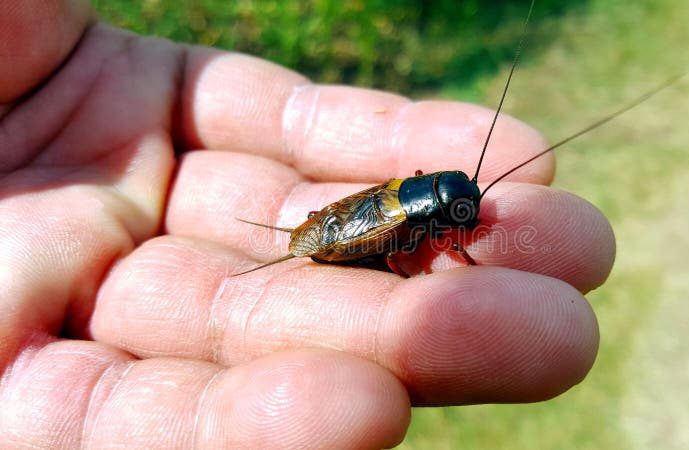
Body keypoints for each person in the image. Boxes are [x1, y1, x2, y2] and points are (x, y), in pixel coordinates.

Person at [0, 1, 613, 448]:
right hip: (357, 233)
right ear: (435, 202)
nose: (465, 219)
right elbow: (405, 250)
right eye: (458, 215)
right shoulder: (422, 225)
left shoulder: (425, 197)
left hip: (378, 206)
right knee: (384, 260)